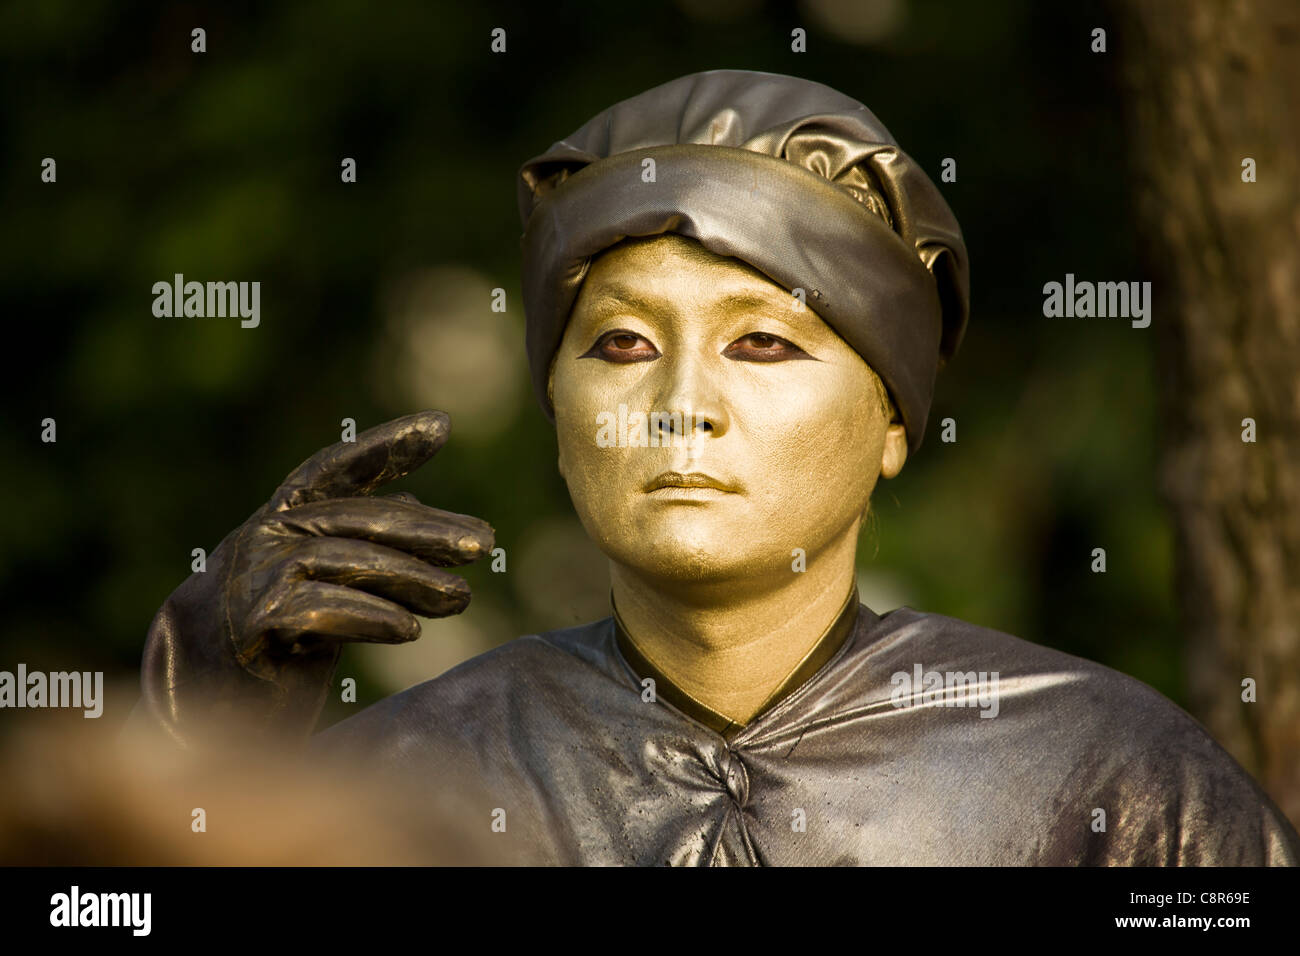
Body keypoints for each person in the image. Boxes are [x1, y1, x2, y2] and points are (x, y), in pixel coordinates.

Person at [134, 69, 1300, 865]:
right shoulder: (390, 785)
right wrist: (205, 761)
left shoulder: (1107, 776)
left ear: (893, 418)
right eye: (622, 343)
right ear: (555, 406)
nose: (681, 404)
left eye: (763, 342)